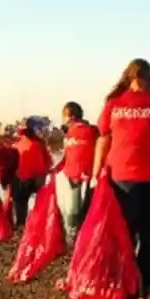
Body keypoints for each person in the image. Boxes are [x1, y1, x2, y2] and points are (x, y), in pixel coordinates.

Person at [91, 59, 150, 299]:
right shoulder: (116, 103)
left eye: (143, 76)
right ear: (130, 77)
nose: (140, 81)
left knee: (146, 235)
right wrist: (95, 174)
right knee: (127, 235)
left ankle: (142, 290)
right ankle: (129, 287)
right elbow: (103, 139)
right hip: (124, 177)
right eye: (137, 76)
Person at [51, 102, 98, 242]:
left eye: (64, 117)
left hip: (84, 176)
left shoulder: (90, 131)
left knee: (76, 211)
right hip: (72, 175)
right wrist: (57, 168)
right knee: (72, 210)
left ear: (70, 117)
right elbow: (68, 155)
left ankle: (78, 239)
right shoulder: (69, 134)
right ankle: (75, 238)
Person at [10, 117, 54, 227]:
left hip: (19, 180)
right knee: (38, 203)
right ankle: (38, 224)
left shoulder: (16, 145)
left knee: (20, 203)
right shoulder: (39, 145)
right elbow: (46, 165)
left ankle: (21, 226)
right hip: (35, 180)